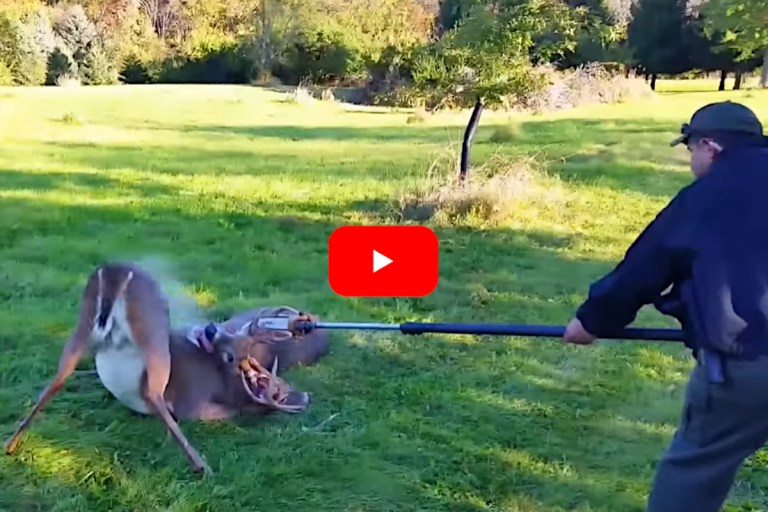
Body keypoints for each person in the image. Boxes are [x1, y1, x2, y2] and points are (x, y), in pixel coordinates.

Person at [562, 101, 768, 512]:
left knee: (694, 468)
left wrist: (589, 322)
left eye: (690, 150)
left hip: (748, 363)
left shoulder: (704, 199)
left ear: (710, 147)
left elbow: (643, 269)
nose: (691, 161)